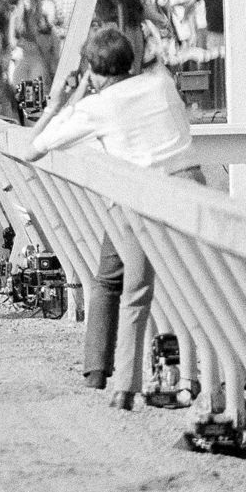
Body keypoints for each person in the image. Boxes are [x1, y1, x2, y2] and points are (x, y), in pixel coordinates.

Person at [26, 26, 203, 410]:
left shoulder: (95, 108)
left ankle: (121, 385)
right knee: (197, 288)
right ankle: (204, 376)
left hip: (137, 202)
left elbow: (34, 149)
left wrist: (63, 102)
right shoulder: (162, 83)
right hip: (189, 192)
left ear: (93, 71)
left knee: (132, 291)